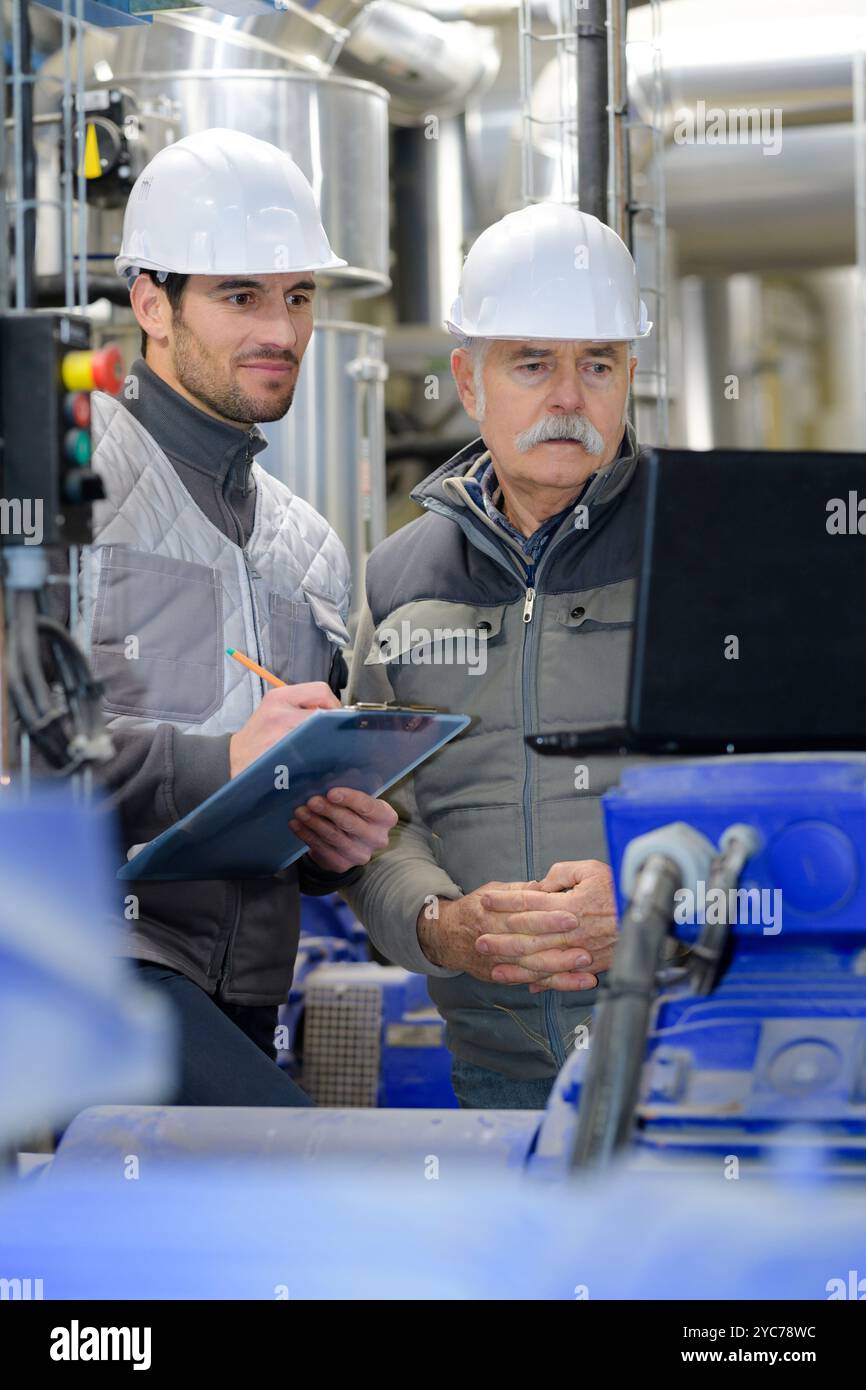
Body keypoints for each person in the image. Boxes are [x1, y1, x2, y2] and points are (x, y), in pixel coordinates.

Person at [80, 128, 396, 1106]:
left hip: (249, 991)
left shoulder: (307, 549)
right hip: (95, 971)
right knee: (308, 1190)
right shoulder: (70, 491)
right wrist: (216, 762)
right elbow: (20, 759)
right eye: (240, 295)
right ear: (151, 305)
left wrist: (325, 834)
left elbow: (279, 801)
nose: (282, 328)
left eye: (297, 295)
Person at [338, 202, 652, 1108]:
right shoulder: (396, 584)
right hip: (495, 1082)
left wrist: (650, 903)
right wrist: (442, 926)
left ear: (630, 373)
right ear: (468, 382)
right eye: (531, 364)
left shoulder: (711, 559)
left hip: (699, 1068)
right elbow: (380, 823)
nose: (568, 398)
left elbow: (801, 799)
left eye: (597, 364)